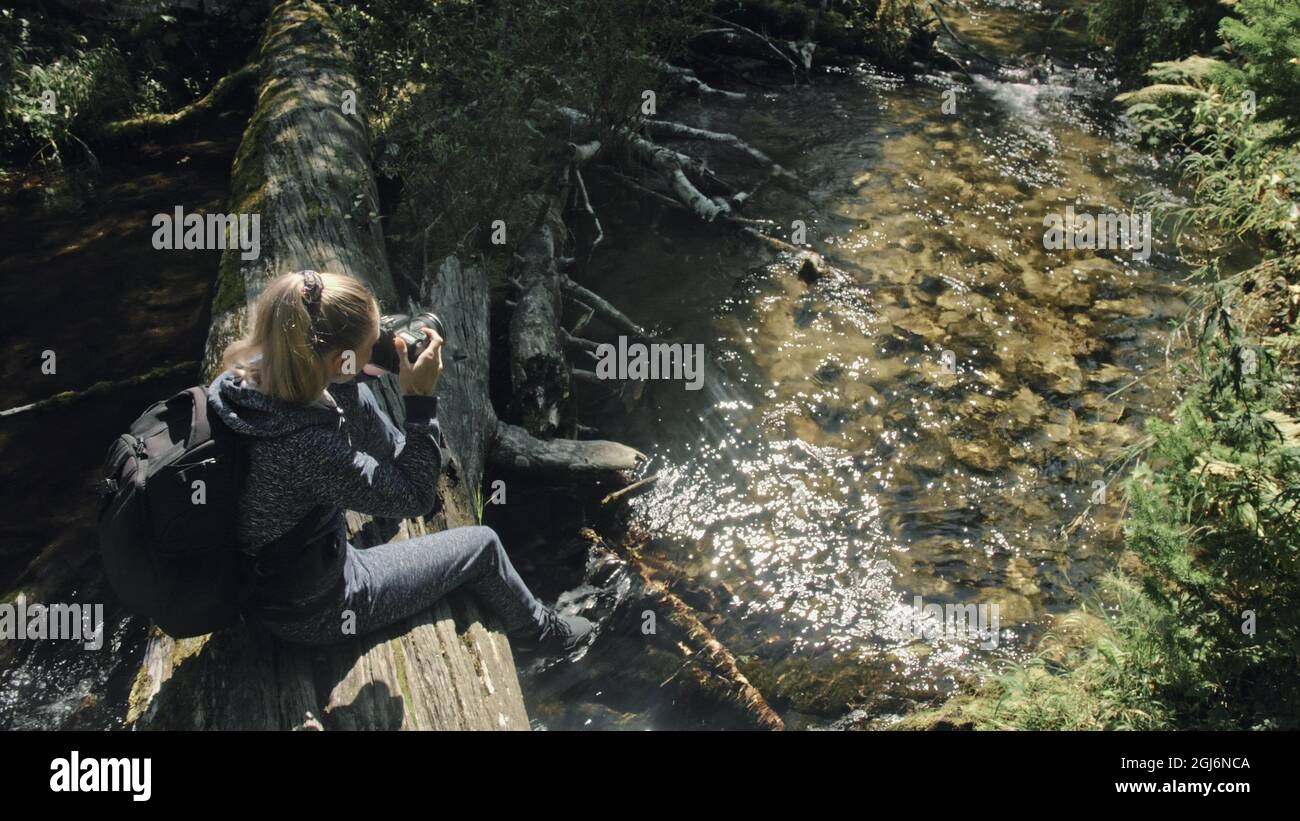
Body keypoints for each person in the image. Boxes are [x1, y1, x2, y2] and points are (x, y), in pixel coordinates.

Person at [206, 268, 593, 654]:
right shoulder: (307, 447)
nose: (376, 351)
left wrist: (366, 360)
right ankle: (541, 635)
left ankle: (402, 445)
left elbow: (338, 381)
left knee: (350, 389)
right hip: (313, 608)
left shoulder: (248, 377)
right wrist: (421, 401)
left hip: (257, 569)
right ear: (338, 357)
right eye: (369, 346)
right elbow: (414, 498)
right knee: (483, 546)